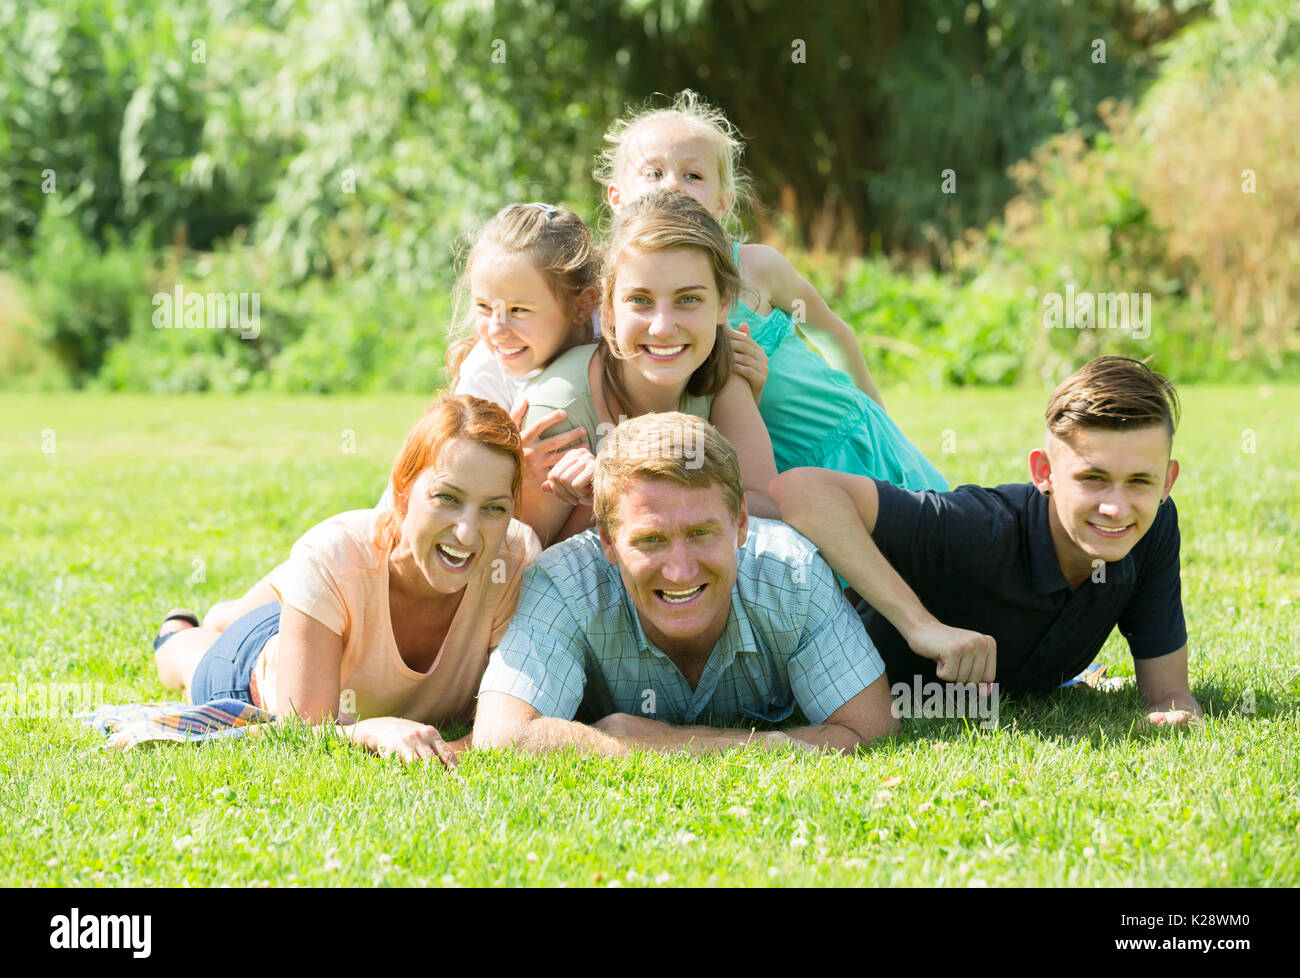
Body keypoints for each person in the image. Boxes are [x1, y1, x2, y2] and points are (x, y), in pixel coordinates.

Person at [202, 202, 605, 630]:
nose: (497, 329)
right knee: (362, 554)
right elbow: (446, 467)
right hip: (425, 515)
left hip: (486, 533)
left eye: (520, 311)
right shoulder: (488, 367)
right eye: (485, 307)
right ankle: (233, 615)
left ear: (582, 307)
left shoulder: (606, 354)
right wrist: (513, 467)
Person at [769, 356, 1203, 726]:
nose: (1116, 507)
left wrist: (1176, 711)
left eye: (1140, 482)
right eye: (1094, 478)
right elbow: (800, 490)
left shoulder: (1153, 528)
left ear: (1167, 481)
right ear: (1043, 474)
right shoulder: (979, 528)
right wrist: (923, 627)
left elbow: (1168, 691)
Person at [472, 412, 899, 755]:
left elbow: (872, 729)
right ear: (607, 540)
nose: (679, 571)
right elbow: (503, 737)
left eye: (700, 533)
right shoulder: (565, 583)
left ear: (741, 523)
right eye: (650, 540)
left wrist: (652, 744)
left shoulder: (792, 573)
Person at [151, 394, 542, 764]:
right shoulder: (335, 552)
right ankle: (180, 631)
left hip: (329, 613)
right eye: (448, 498)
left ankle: (242, 609)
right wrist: (367, 732)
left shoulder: (514, 562)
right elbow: (301, 734)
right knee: (192, 662)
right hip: (253, 669)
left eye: (494, 508)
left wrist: (454, 747)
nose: (468, 534)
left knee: (328, 571)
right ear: (402, 491)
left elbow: (505, 726)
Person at [596, 89, 948, 491]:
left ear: (722, 204)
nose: (673, 185)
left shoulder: (756, 267)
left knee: (937, 543)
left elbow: (830, 331)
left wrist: (877, 417)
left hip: (850, 435)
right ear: (618, 198)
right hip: (779, 473)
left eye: (693, 175)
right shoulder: (623, 295)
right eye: (653, 173)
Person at [517, 190, 782, 547]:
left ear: (724, 302)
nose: (662, 327)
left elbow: (768, 509)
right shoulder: (560, 409)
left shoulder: (720, 371)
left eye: (688, 299)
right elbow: (526, 561)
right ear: (609, 306)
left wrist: (622, 486)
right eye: (640, 300)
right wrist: (598, 499)